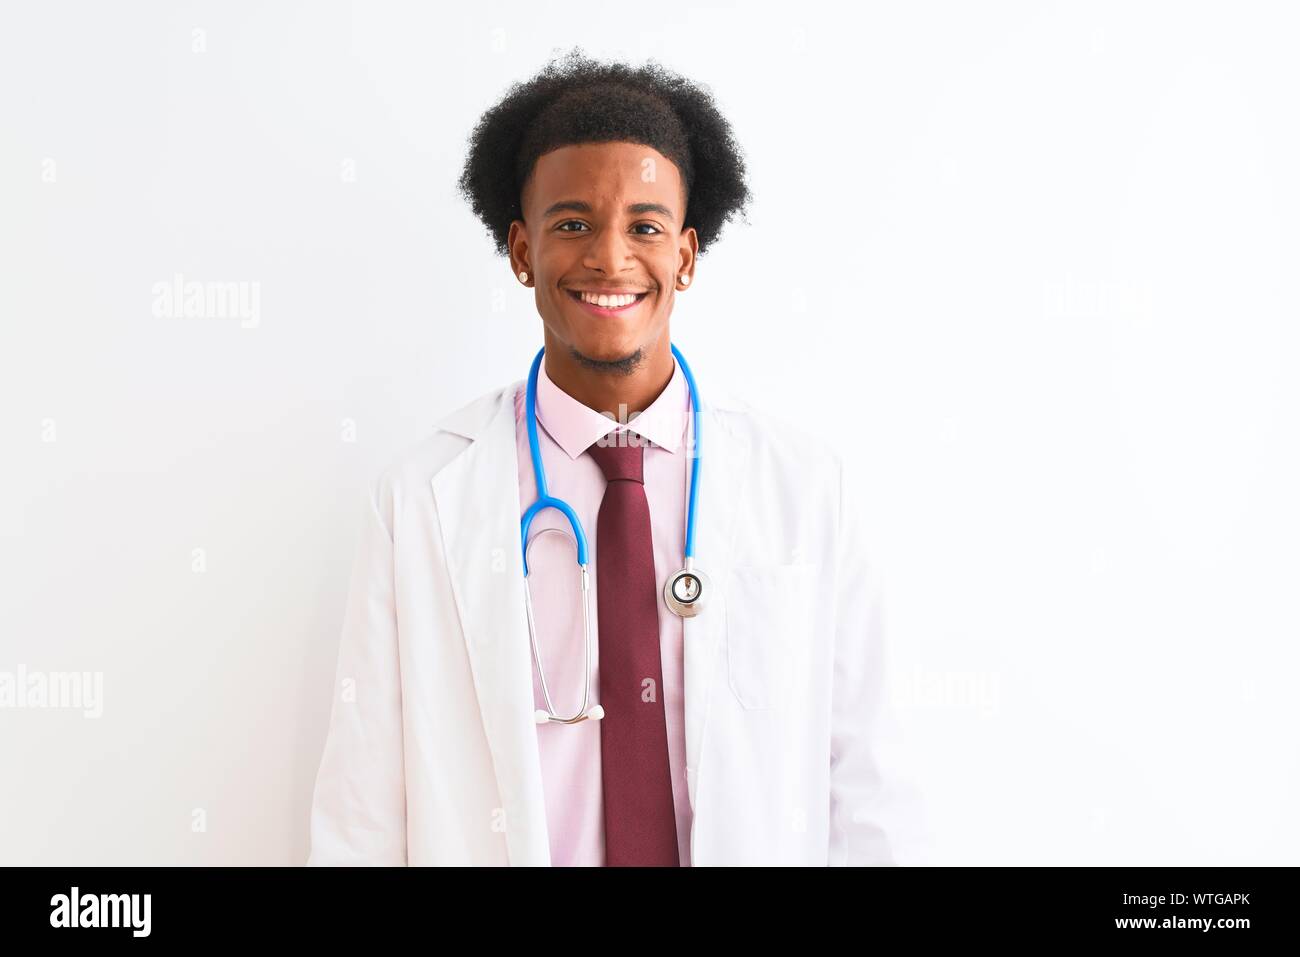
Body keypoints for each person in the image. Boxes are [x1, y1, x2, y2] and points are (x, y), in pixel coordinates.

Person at [307, 48, 918, 866]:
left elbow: (870, 787)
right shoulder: (421, 497)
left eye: (645, 226)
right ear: (522, 251)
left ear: (687, 256)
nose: (609, 257)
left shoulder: (804, 489)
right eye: (572, 224)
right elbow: (363, 810)